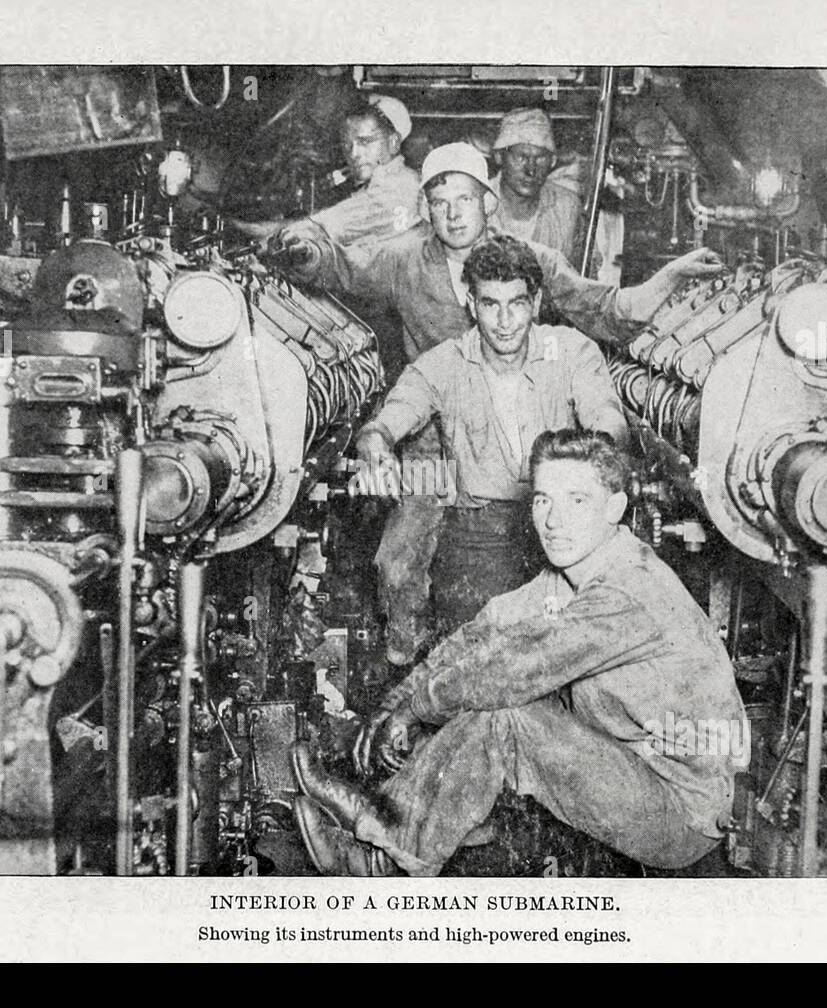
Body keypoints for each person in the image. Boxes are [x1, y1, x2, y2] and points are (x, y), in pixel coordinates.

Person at [277, 142, 721, 666]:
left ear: (489, 202)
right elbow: (342, 269)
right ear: (425, 207)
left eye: (466, 199)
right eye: (440, 202)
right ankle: (409, 657)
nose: (453, 213)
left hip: (521, 427)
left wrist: (668, 278)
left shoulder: (525, 263)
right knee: (398, 562)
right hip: (431, 446)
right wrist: (301, 247)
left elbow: (607, 310)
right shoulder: (401, 260)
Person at [289, 428, 751, 877]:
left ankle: (382, 860)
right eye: (542, 500)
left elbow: (512, 673)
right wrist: (394, 704)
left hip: (678, 809)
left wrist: (414, 708)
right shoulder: (576, 571)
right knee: (480, 682)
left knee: (505, 714)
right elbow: (482, 635)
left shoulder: (627, 588)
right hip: (624, 756)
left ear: (615, 508)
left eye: (577, 501)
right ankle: (386, 812)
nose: (553, 520)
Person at [352, 236, 629, 636]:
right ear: (471, 303)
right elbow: (383, 425)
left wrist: (599, 449)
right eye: (490, 304)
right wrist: (377, 452)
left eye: (516, 303)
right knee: (476, 659)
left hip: (564, 522)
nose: (504, 321)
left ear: (535, 304)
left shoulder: (570, 350)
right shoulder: (445, 362)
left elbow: (606, 416)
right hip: (477, 535)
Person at [232, 95, 421, 247]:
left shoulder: (398, 187)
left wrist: (243, 228)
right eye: (347, 145)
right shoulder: (375, 186)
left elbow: (321, 228)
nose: (354, 154)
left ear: (394, 142)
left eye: (365, 142)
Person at [487, 108, 582, 256]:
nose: (530, 170)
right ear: (499, 156)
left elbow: (585, 272)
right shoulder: (477, 203)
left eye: (540, 158)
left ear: (553, 161)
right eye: (521, 157)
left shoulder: (567, 207)